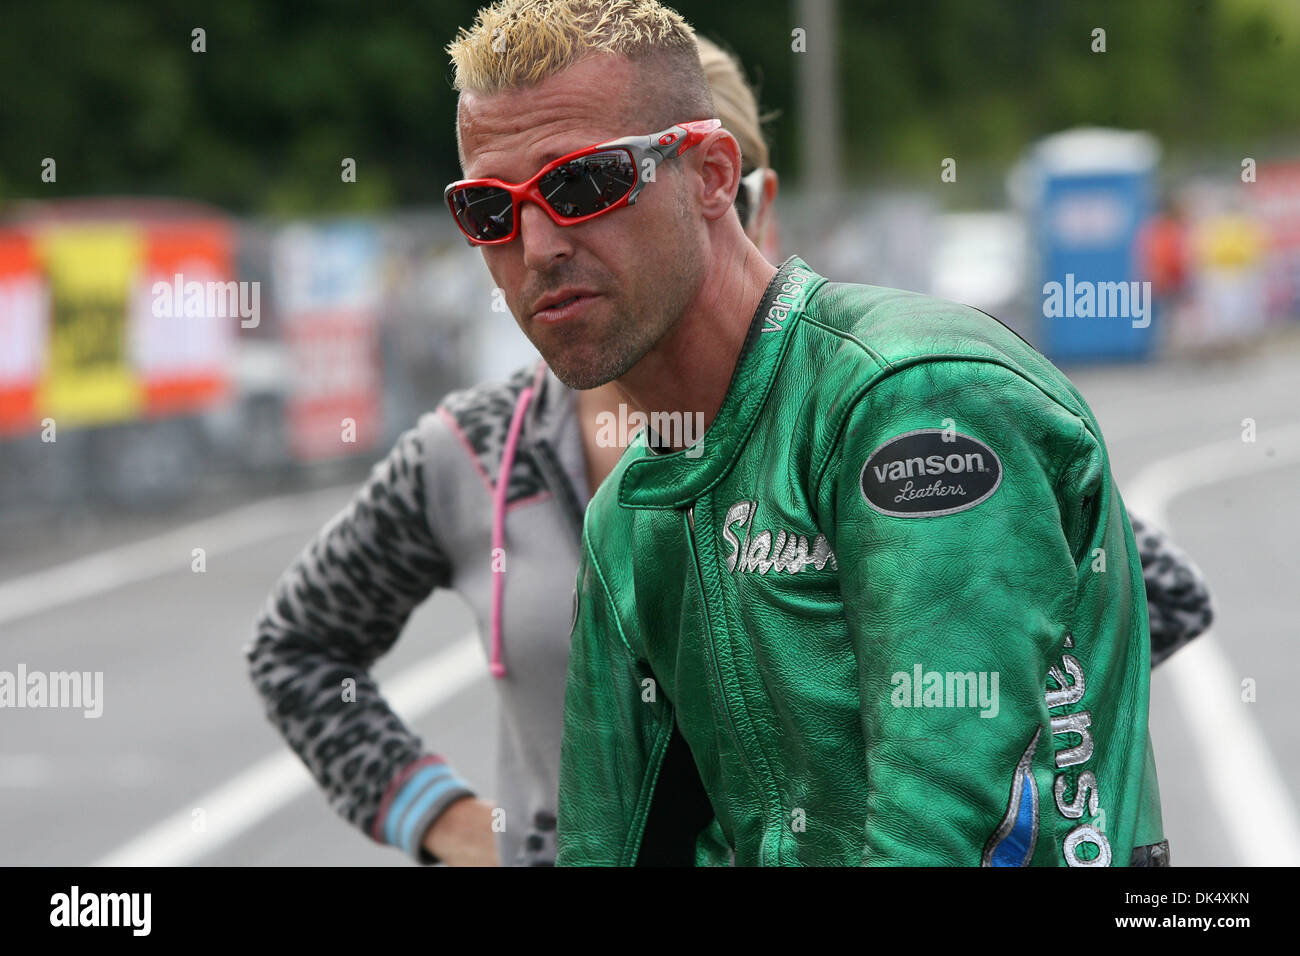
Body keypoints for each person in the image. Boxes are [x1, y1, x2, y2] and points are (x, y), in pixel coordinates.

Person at [247, 15, 1208, 869]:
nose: (536, 246)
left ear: (718, 179)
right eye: (490, 211)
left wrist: (1068, 714)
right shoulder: (625, 512)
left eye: (585, 182)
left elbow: (944, 827)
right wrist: (449, 824)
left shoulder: (913, 398)